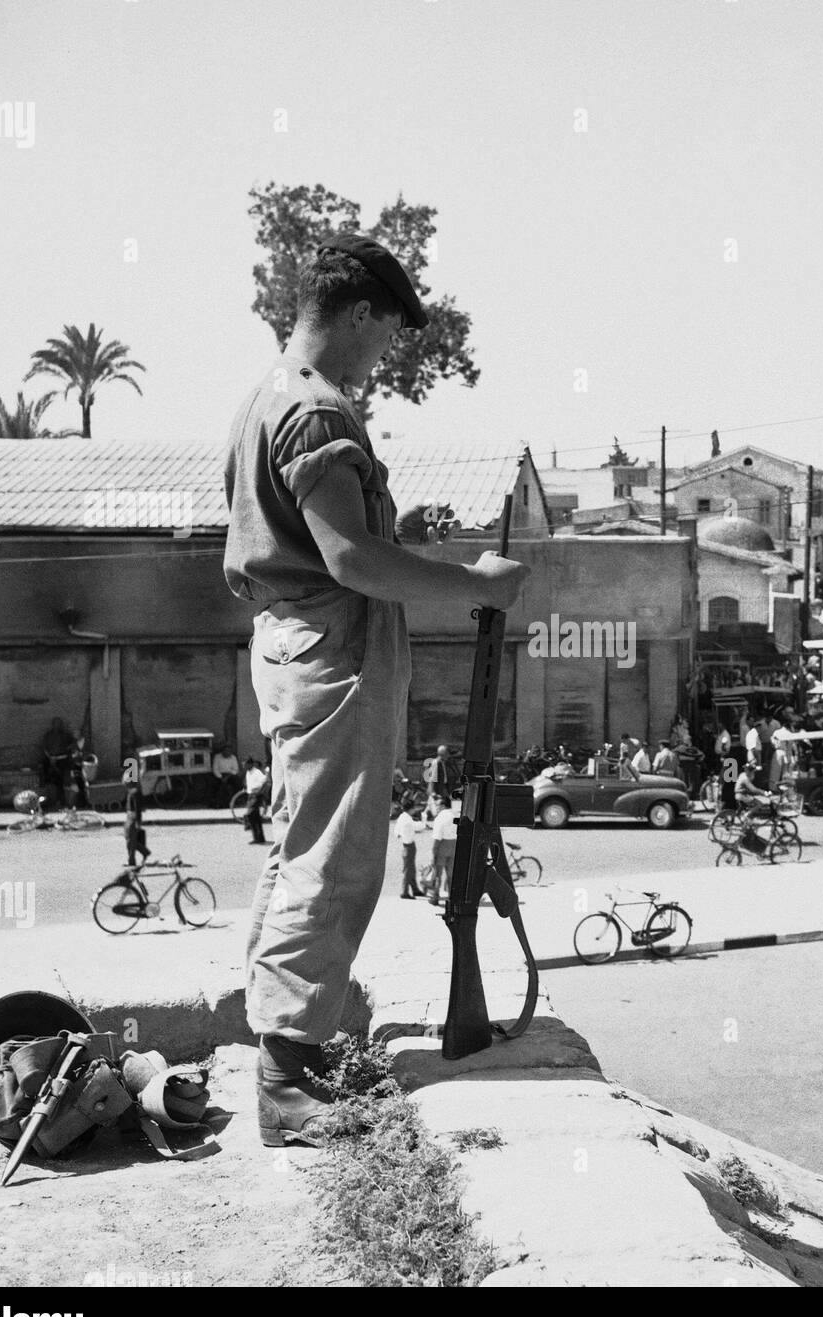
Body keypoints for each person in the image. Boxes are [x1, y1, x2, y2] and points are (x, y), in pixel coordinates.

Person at [222, 232, 529, 1146]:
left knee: (302, 838)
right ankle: (289, 1077)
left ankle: (288, 1043)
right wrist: (473, 585)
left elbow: (337, 537)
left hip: (293, 637)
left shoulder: (264, 399)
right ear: (358, 313)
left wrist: (408, 538)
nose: (384, 353)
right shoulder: (317, 414)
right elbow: (353, 559)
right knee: (339, 851)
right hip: (333, 646)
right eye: (387, 334)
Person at [428, 795, 460, 905]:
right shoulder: (454, 815)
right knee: (451, 874)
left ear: (442, 805)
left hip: (442, 845)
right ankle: (452, 897)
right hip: (454, 845)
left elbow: (437, 838)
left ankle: (435, 897)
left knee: (437, 873)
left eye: (437, 805)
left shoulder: (440, 818)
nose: (436, 807)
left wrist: (433, 853)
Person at [394, 804, 421, 900]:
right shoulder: (408, 819)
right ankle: (404, 892)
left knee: (411, 868)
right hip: (409, 846)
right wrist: (424, 818)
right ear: (411, 809)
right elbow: (419, 827)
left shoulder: (402, 817)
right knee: (408, 870)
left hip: (405, 845)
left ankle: (415, 889)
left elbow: (396, 832)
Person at [243, 757, 270, 844]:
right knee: (256, 817)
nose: (244, 766)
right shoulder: (248, 772)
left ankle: (256, 836)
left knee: (250, 814)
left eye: (245, 764)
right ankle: (259, 838)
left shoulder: (256, 772)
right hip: (250, 795)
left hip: (256, 795)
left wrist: (258, 790)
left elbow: (264, 780)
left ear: (250, 764)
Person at [123, 780, 150, 868]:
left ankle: (131, 861)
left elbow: (137, 809)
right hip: (129, 817)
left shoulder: (135, 793)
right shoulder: (132, 792)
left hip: (132, 818)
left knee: (131, 840)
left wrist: (138, 822)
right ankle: (144, 852)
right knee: (129, 839)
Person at [211, 741, 241, 806]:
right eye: (225, 751)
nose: (227, 752)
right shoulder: (217, 757)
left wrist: (228, 777)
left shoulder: (233, 757)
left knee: (238, 782)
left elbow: (235, 770)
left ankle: (237, 799)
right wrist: (221, 777)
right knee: (214, 783)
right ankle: (216, 801)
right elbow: (215, 769)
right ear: (222, 751)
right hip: (220, 775)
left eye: (229, 751)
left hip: (230, 775)